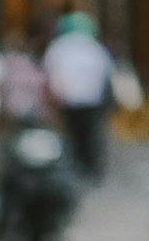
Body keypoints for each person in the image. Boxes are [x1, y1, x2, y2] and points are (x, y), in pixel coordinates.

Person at [42, 10, 115, 182]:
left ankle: (75, 169)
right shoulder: (95, 47)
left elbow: (49, 72)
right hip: (92, 101)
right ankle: (91, 169)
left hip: (68, 100)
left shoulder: (58, 47)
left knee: (71, 136)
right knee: (90, 136)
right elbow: (107, 72)